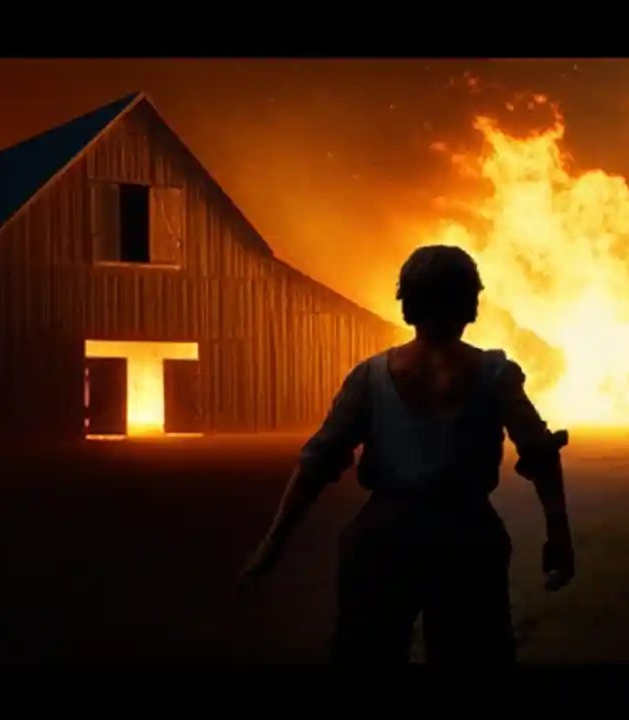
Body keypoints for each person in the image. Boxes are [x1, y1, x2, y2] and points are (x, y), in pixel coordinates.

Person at [237, 245, 574, 666]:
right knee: (472, 667)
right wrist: (559, 534)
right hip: (466, 541)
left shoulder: (370, 376)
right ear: (470, 305)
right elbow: (541, 454)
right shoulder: (496, 375)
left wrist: (274, 542)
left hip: (384, 538)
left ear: (408, 305)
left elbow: (317, 463)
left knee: (367, 662)